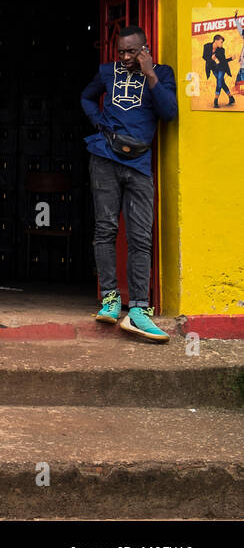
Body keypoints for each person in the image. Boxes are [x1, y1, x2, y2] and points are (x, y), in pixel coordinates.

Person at [82, 26, 177, 341]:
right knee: (106, 229)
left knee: (140, 236)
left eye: (131, 52)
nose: (124, 58)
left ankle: (138, 309)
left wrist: (150, 75)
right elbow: (85, 96)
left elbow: (170, 113)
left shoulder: (162, 73)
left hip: (138, 165)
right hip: (104, 158)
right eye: (120, 52)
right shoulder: (106, 72)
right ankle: (110, 299)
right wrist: (98, 121)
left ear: (145, 49)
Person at [202, 34, 235, 107]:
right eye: (221, 42)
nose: (222, 44)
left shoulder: (222, 50)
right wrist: (211, 59)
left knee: (219, 82)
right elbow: (204, 57)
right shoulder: (207, 46)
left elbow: (223, 61)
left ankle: (215, 100)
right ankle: (231, 97)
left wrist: (230, 59)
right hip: (213, 68)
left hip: (221, 68)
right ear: (216, 41)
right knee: (222, 83)